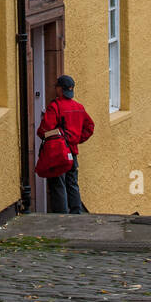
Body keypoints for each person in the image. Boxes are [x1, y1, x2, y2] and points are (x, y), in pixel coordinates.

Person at [37, 74, 94, 214]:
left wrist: (53, 139)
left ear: (60, 89)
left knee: (58, 185)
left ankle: (61, 216)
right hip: (73, 152)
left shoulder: (55, 107)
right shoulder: (79, 107)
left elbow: (44, 129)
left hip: (59, 153)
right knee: (72, 183)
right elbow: (90, 127)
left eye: (56, 86)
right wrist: (76, 140)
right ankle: (76, 212)